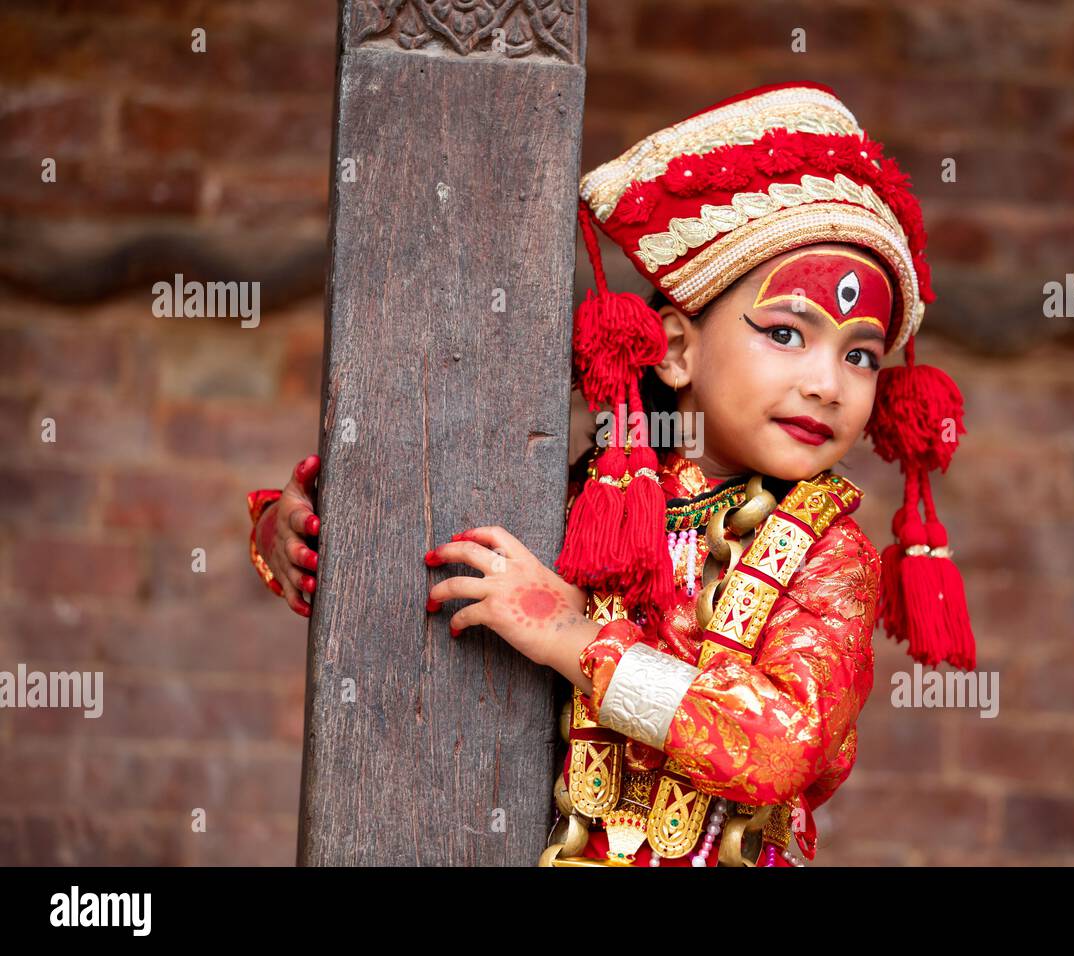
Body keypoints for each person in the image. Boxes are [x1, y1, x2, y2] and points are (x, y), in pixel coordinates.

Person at [245, 80, 975, 867]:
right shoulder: (594, 496)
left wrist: (578, 640)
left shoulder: (832, 559)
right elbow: (432, 563)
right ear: (674, 348)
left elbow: (783, 743)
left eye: (859, 354)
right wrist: (303, 533)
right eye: (788, 334)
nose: (828, 383)